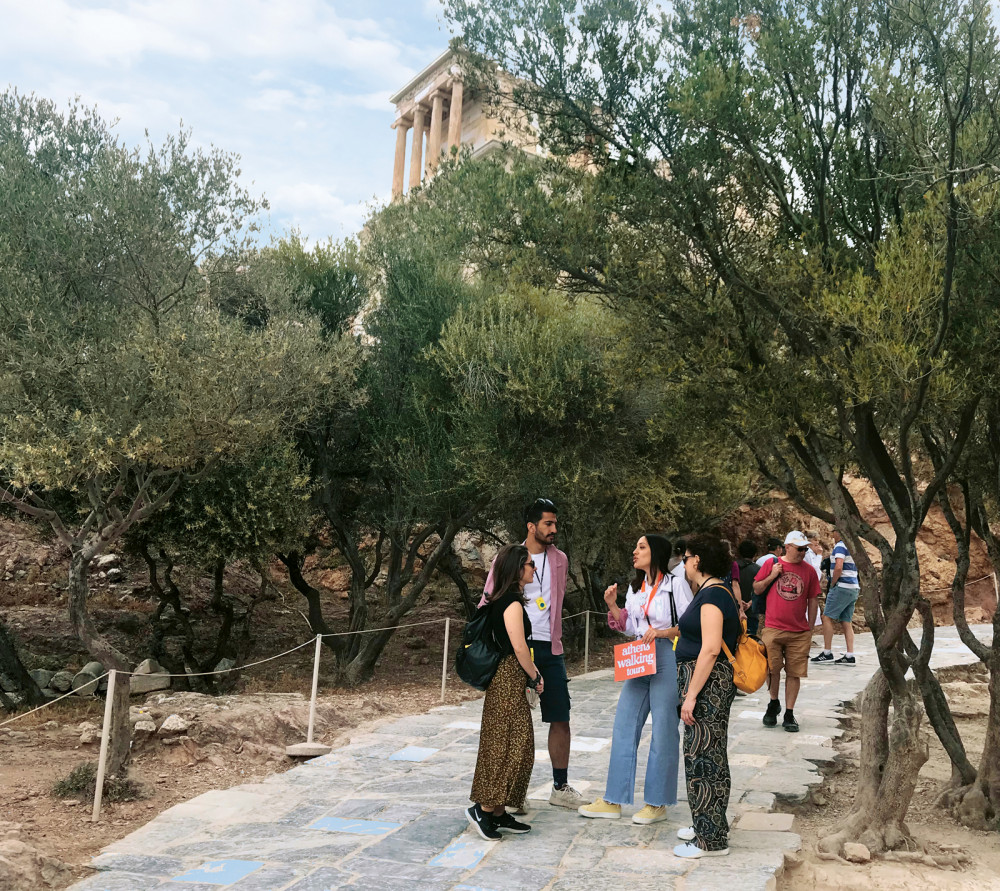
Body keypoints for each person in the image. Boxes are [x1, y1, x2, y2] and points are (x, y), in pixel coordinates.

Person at [579, 534, 690, 824]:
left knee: (664, 729)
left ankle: (657, 803)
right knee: (624, 725)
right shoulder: (635, 587)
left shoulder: (675, 585)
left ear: (656, 552)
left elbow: (691, 624)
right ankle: (613, 799)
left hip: (666, 655)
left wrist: (662, 632)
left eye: (641, 547)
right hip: (639, 656)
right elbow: (629, 627)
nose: (635, 552)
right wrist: (613, 606)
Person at [482, 498, 586, 809]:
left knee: (560, 716)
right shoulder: (508, 558)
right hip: (515, 648)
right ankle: (514, 794)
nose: (554, 529)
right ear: (531, 526)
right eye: (548, 524)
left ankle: (560, 787)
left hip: (549, 647)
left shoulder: (560, 560)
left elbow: (556, 600)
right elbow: (488, 598)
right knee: (513, 723)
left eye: (555, 524)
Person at [467, 544, 543, 840]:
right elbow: (519, 647)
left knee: (511, 743)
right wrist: (535, 675)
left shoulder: (506, 600)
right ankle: (483, 809)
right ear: (516, 568)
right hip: (507, 679)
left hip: (509, 678)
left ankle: (497, 812)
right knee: (508, 744)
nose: (534, 569)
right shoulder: (510, 604)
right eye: (530, 564)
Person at [673, 533, 742, 859]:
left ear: (697, 560)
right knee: (709, 754)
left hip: (707, 685)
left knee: (703, 757)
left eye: (686, 558)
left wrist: (691, 696)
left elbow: (711, 648)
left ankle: (710, 840)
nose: (684, 563)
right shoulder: (713, 591)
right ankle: (708, 824)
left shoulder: (713, 594)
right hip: (706, 683)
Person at [753, 530, 821, 732]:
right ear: (787, 547)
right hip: (773, 627)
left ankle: (789, 713)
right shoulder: (771, 564)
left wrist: (810, 628)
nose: (803, 553)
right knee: (771, 669)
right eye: (799, 549)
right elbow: (757, 588)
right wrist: (773, 575)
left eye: (805, 549)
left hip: (799, 631)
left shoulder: (809, 571)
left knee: (794, 672)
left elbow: (813, 599)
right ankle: (773, 702)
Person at [811, 537, 860, 667]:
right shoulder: (852, 545)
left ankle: (827, 653)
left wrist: (833, 583)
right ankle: (850, 655)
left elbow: (838, 566)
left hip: (841, 586)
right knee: (846, 621)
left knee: (826, 617)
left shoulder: (840, 546)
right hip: (853, 587)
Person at [736, 540, 760, 636]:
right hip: (752, 612)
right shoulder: (758, 569)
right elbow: (761, 591)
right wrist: (750, 603)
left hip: (734, 610)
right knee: (750, 641)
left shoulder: (732, 567)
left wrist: (739, 601)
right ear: (755, 554)